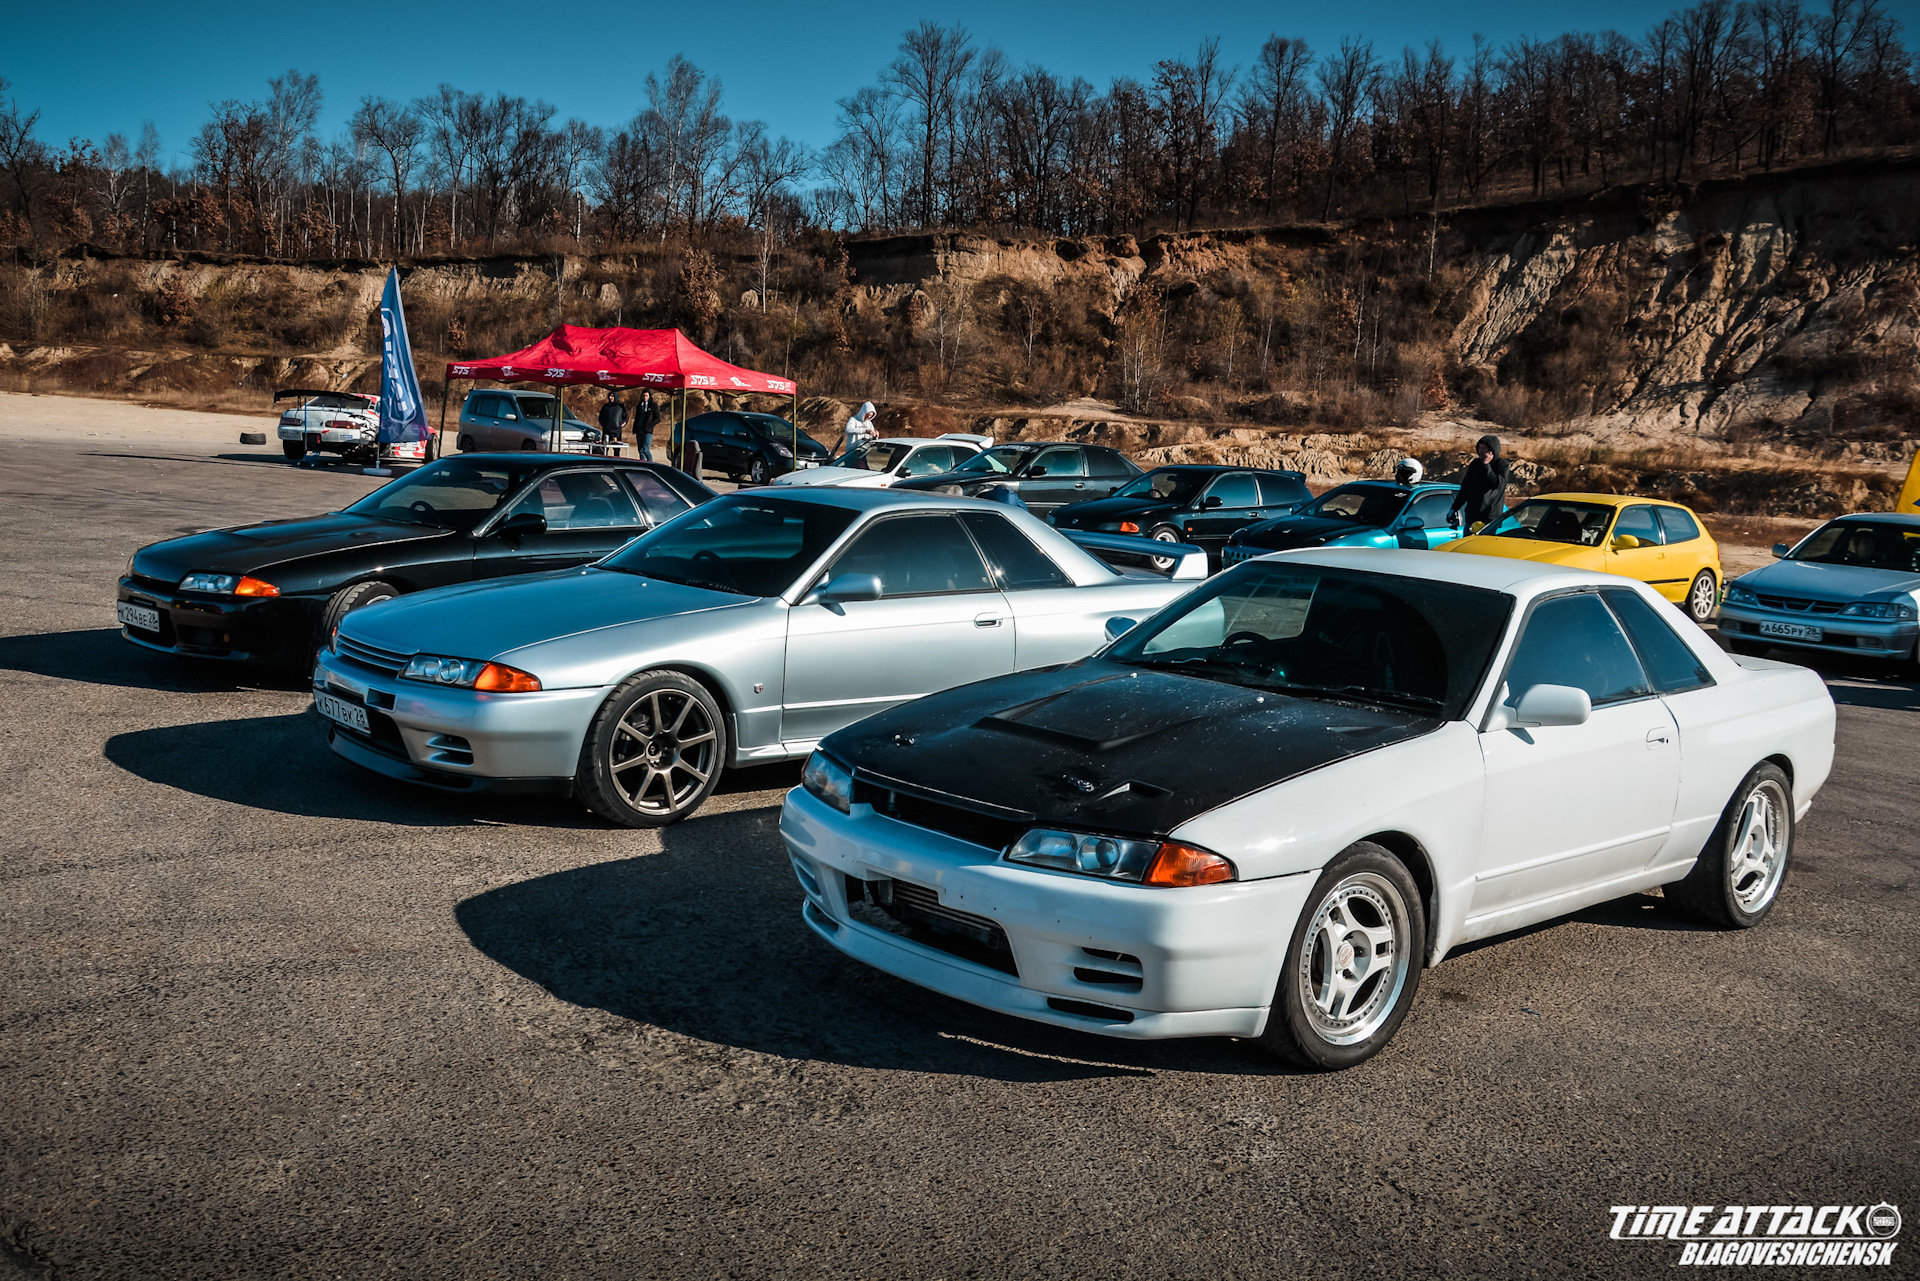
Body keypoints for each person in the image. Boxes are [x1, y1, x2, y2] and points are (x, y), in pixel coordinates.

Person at [1448, 435, 1511, 533]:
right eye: (1479, 448)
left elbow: (1495, 484)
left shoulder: (1502, 466)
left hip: (1490, 520)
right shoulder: (1475, 464)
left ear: (1492, 451)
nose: (1481, 451)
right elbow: (1465, 489)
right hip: (1472, 517)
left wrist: (1486, 465)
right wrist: (1454, 508)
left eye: (1484, 448)